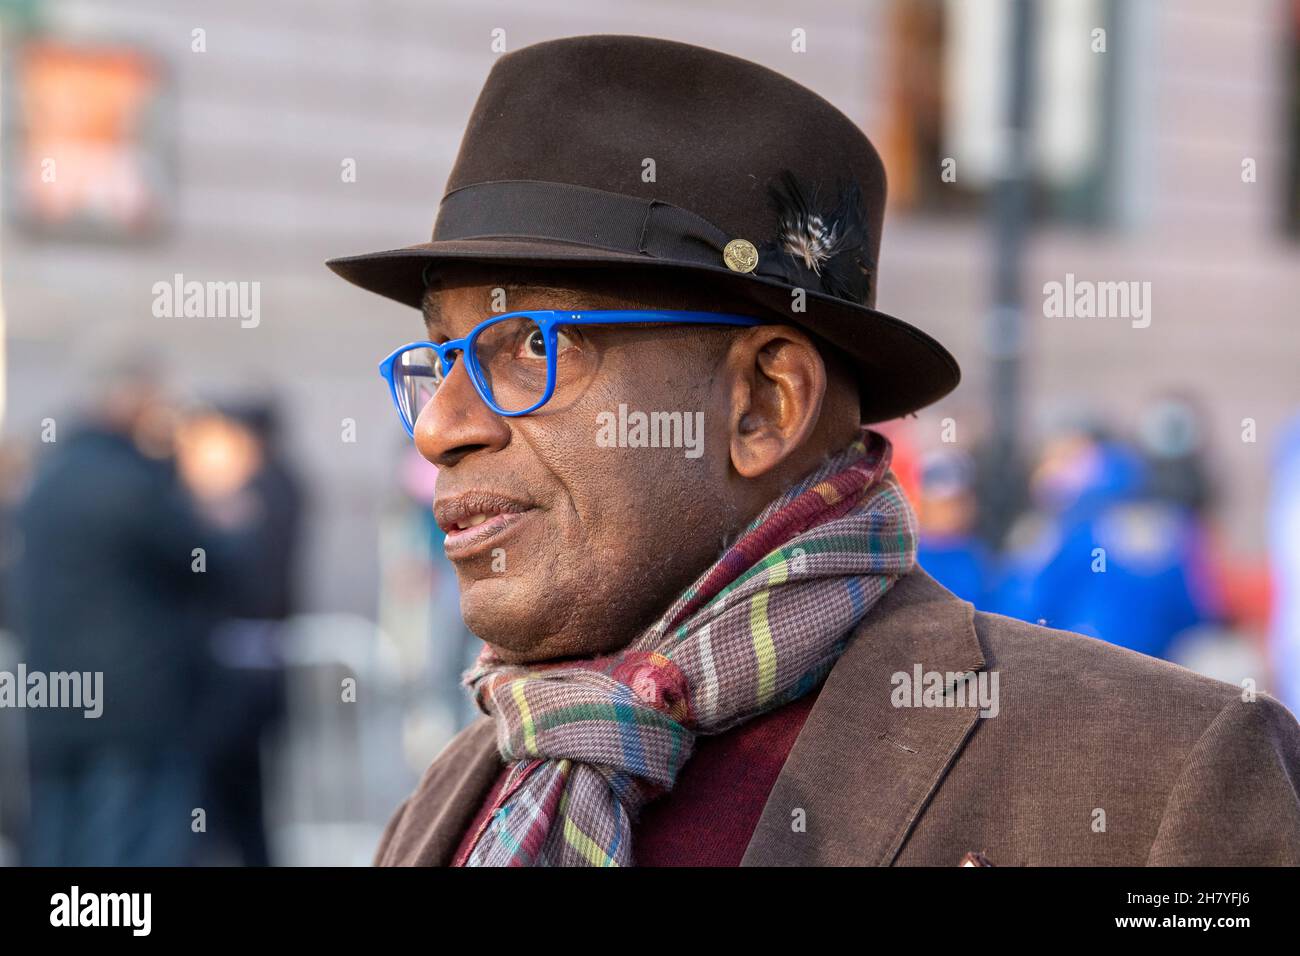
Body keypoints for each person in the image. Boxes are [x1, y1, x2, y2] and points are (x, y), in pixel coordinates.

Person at [327, 35, 1300, 866]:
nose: (438, 424)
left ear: (763, 403)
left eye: (523, 347)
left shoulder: (1157, 777)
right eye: (435, 358)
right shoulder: (461, 789)